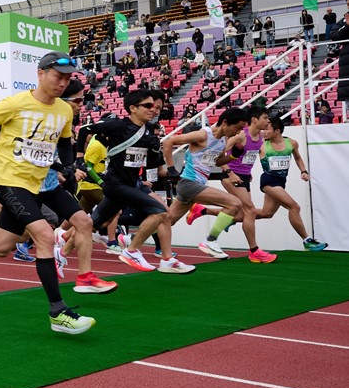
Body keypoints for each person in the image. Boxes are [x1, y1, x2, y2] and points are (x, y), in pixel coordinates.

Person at [0, 53, 117, 335]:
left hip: (42, 184)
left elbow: (65, 142)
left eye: (67, 79)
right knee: (44, 235)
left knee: (3, 246)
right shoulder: (16, 103)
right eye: (58, 76)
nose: (63, 83)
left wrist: (67, 167)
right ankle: (58, 312)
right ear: (40, 74)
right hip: (10, 182)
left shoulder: (64, 111)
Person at [77, 89, 194, 274]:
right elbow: (85, 129)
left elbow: (149, 162)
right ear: (132, 108)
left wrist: (156, 153)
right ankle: (133, 251)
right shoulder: (118, 125)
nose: (153, 110)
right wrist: (78, 157)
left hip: (131, 184)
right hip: (115, 184)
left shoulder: (147, 131)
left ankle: (62, 245)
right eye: (148, 106)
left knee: (93, 223)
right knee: (161, 211)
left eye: (155, 107)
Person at [185, 106, 277, 263]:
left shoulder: (260, 137)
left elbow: (249, 156)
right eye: (265, 118)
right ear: (254, 119)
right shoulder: (240, 135)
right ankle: (254, 251)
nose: (268, 121)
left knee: (241, 215)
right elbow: (218, 154)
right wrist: (230, 172)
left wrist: (248, 172)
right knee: (250, 210)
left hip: (244, 177)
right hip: (231, 177)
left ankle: (202, 210)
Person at [160, 107, 249, 259]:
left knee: (167, 221)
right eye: (238, 127)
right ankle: (210, 241)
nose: (238, 132)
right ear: (225, 122)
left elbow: (217, 161)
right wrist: (170, 168)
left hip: (195, 185)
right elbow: (169, 141)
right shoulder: (203, 134)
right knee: (235, 204)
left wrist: (234, 155)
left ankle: (131, 241)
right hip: (189, 183)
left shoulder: (223, 140)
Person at [255, 116, 326, 251]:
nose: (264, 132)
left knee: (266, 213)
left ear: (277, 131)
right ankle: (307, 240)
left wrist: (303, 171)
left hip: (281, 182)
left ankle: (233, 217)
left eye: (267, 129)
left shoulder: (292, 143)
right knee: (294, 207)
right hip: (268, 181)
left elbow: (298, 157)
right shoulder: (261, 144)